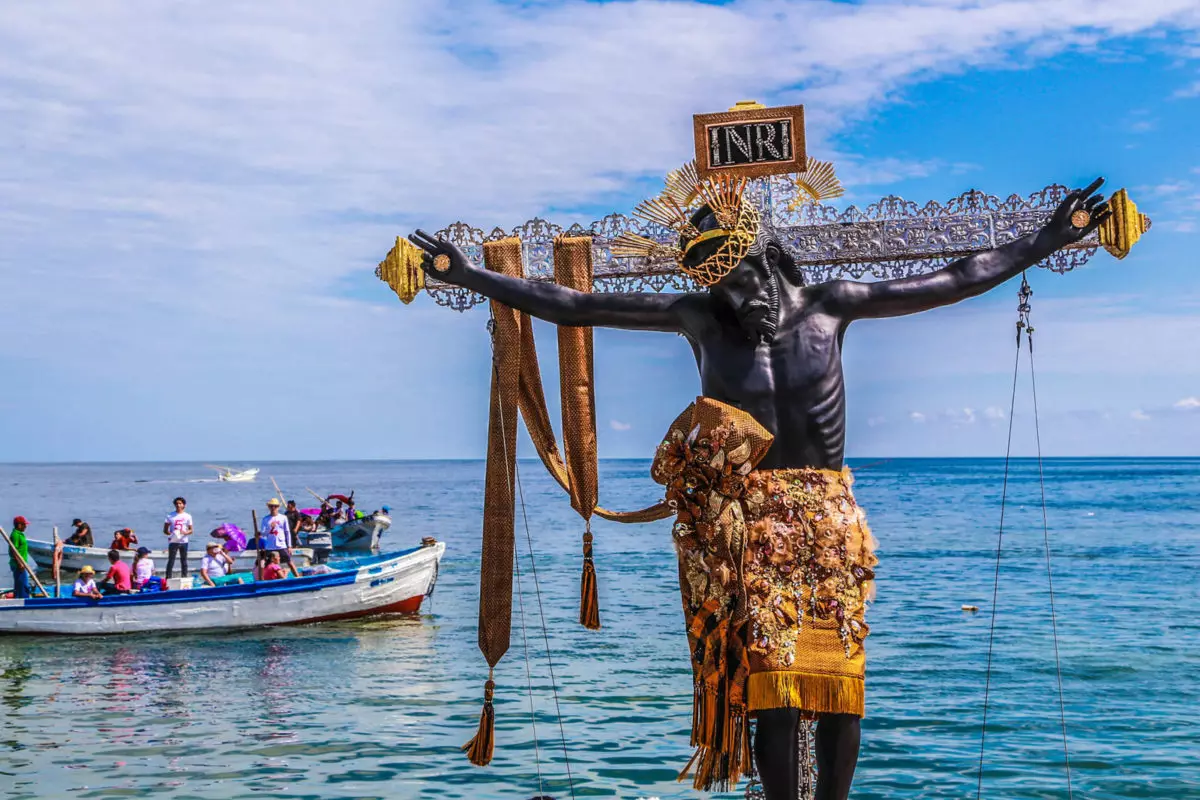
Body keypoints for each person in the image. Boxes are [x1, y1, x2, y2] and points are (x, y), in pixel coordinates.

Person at [409, 176, 1112, 799]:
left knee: (839, 691)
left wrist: (1049, 239)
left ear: (770, 259)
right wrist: (471, 276)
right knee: (773, 691)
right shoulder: (701, 318)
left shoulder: (834, 305)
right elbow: (571, 304)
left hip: (830, 521)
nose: (738, 298)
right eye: (722, 286)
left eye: (742, 278)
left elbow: (958, 276)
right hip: (748, 527)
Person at [259, 499, 299, 578]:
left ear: (278, 507)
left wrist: (289, 546)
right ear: (269, 507)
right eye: (271, 506)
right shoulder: (265, 519)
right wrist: (270, 528)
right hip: (270, 545)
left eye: (275, 506)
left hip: (281, 544)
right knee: (266, 563)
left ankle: (297, 577)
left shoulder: (283, 517)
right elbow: (263, 533)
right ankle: (262, 579)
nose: (273, 508)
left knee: (289, 561)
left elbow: (287, 532)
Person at [163, 496, 193, 579]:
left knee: (184, 560)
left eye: (180, 503)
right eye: (176, 504)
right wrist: (172, 534)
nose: (178, 505)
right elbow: (165, 530)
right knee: (171, 560)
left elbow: (191, 530)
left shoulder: (187, 516)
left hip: (184, 541)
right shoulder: (170, 516)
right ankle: (168, 578)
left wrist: (185, 532)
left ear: (184, 505)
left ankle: (184, 577)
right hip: (174, 541)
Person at [7, 516, 31, 599]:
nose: (26, 526)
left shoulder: (20, 534)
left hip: (22, 563)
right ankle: (23, 600)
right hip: (18, 564)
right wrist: (19, 563)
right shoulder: (15, 535)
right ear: (19, 525)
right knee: (23, 586)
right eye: (24, 524)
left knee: (19, 585)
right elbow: (14, 551)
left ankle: (18, 598)